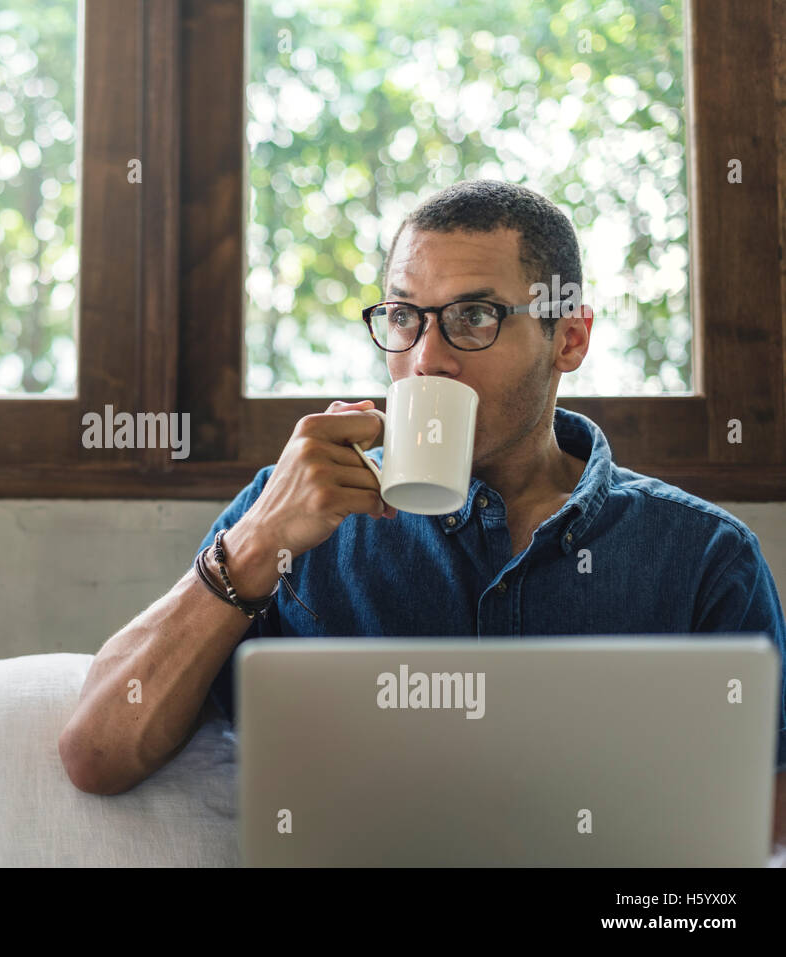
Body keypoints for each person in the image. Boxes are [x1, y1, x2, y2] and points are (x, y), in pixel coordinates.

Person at [57, 180, 786, 854]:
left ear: (569, 337)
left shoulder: (701, 555)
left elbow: (765, 818)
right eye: (405, 316)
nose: (427, 359)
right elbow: (96, 754)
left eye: (473, 316)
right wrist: (252, 544)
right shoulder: (293, 518)